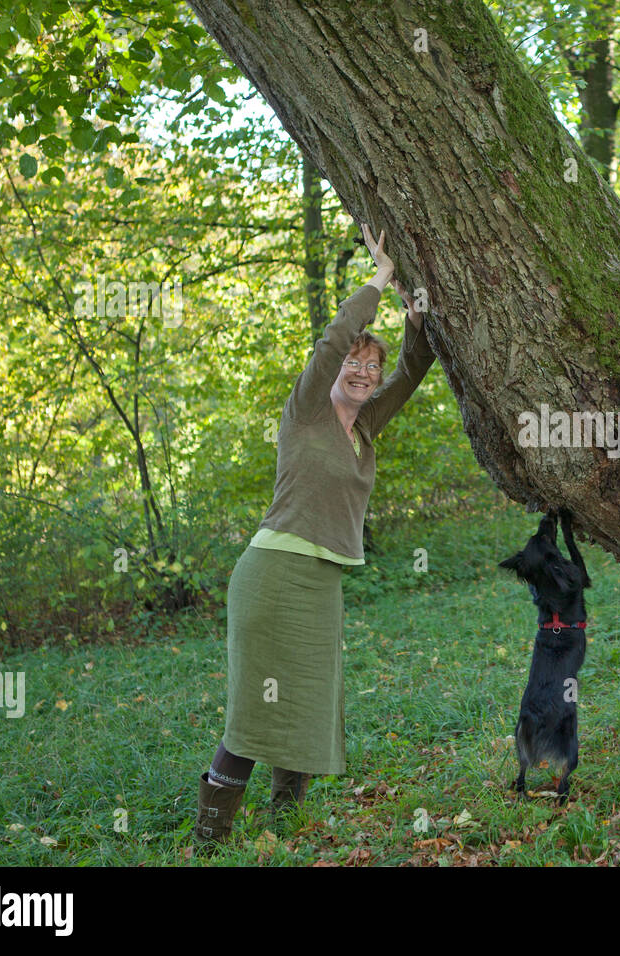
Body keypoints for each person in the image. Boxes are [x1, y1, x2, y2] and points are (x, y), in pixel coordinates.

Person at [193, 223, 435, 847]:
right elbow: (331, 342)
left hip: (322, 583)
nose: (361, 370)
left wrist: (419, 315)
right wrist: (377, 281)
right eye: (354, 361)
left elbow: (415, 368)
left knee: (305, 705)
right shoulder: (306, 410)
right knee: (256, 711)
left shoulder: (367, 427)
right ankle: (210, 840)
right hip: (273, 577)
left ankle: (285, 828)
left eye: (370, 365)